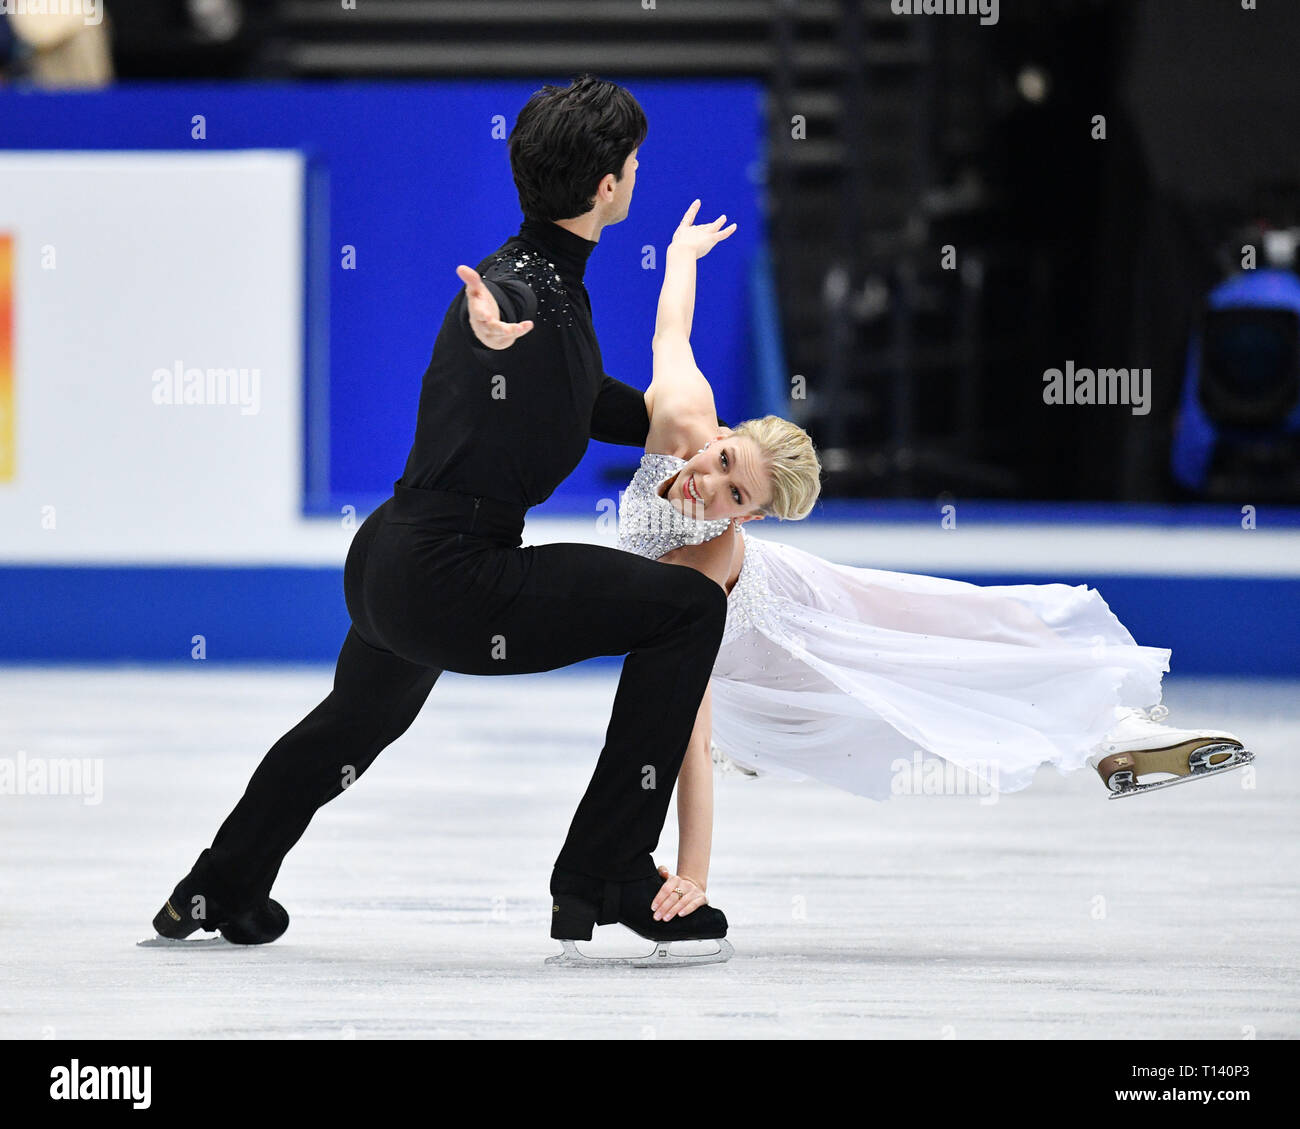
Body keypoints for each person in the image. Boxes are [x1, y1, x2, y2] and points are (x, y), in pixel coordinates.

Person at [145, 75, 732, 961]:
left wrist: (697, 433)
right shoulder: (517, 286)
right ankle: (607, 867)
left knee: (353, 723)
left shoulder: (551, 278)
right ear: (607, 186)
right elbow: (499, 316)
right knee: (687, 610)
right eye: (635, 162)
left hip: (393, 558)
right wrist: (490, 325)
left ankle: (219, 885)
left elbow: (578, 396)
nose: (640, 172)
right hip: (456, 574)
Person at [616, 201, 1252, 925]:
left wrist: (694, 874)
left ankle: (1119, 731)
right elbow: (672, 331)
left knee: (960, 636)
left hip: (796, 625)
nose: (710, 486)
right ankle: (1102, 732)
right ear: (719, 434)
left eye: (735, 495)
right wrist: (681, 255)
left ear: (748, 518)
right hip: (749, 681)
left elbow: (689, 737)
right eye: (724, 462)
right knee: (920, 699)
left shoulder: (700, 566)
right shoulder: (682, 412)